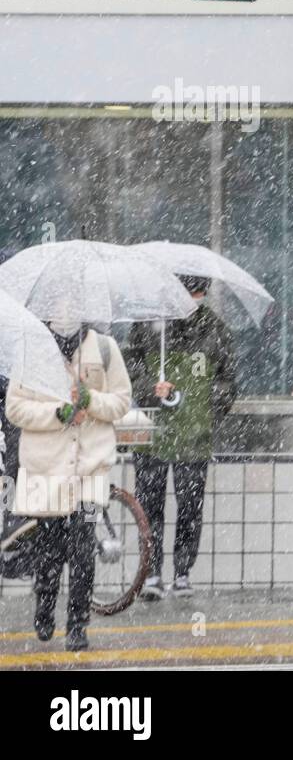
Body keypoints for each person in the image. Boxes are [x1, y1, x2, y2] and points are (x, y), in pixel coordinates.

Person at [6, 318, 132, 652]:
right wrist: (58, 413)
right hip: (46, 471)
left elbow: (121, 401)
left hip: (89, 472)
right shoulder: (31, 352)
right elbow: (15, 408)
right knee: (49, 551)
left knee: (83, 550)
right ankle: (44, 607)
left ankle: (77, 624)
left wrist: (90, 400)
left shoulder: (104, 348)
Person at [124, 275, 236, 600]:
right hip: (152, 430)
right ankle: (152, 572)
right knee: (149, 504)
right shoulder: (148, 325)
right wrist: (150, 390)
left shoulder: (215, 329)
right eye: (188, 292)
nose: (193, 298)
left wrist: (202, 409)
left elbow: (227, 381)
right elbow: (129, 370)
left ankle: (183, 572)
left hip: (193, 435)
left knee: (190, 504)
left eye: (198, 293)